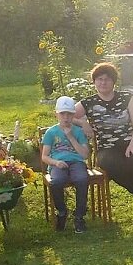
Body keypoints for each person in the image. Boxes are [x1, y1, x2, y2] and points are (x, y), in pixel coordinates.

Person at [76, 62, 133, 220]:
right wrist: (83, 123)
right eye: (99, 79)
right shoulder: (88, 102)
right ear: (94, 82)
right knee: (111, 164)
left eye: (107, 79)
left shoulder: (127, 98)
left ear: (114, 81)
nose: (103, 82)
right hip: (107, 148)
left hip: (132, 142)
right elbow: (64, 114)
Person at [41, 96, 91, 233]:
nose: (66, 117)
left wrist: (70, 137)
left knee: (81, 179)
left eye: (69, 114)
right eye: (62, 113)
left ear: (74, 115)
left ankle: (79, 216)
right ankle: (62, 212)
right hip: (58, 163)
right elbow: (44, 156)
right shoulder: (51, 132)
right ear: (56, 114)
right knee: (57, 181)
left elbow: (84, 154)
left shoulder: (78, 131)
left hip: (76, 162)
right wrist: (56, 162)